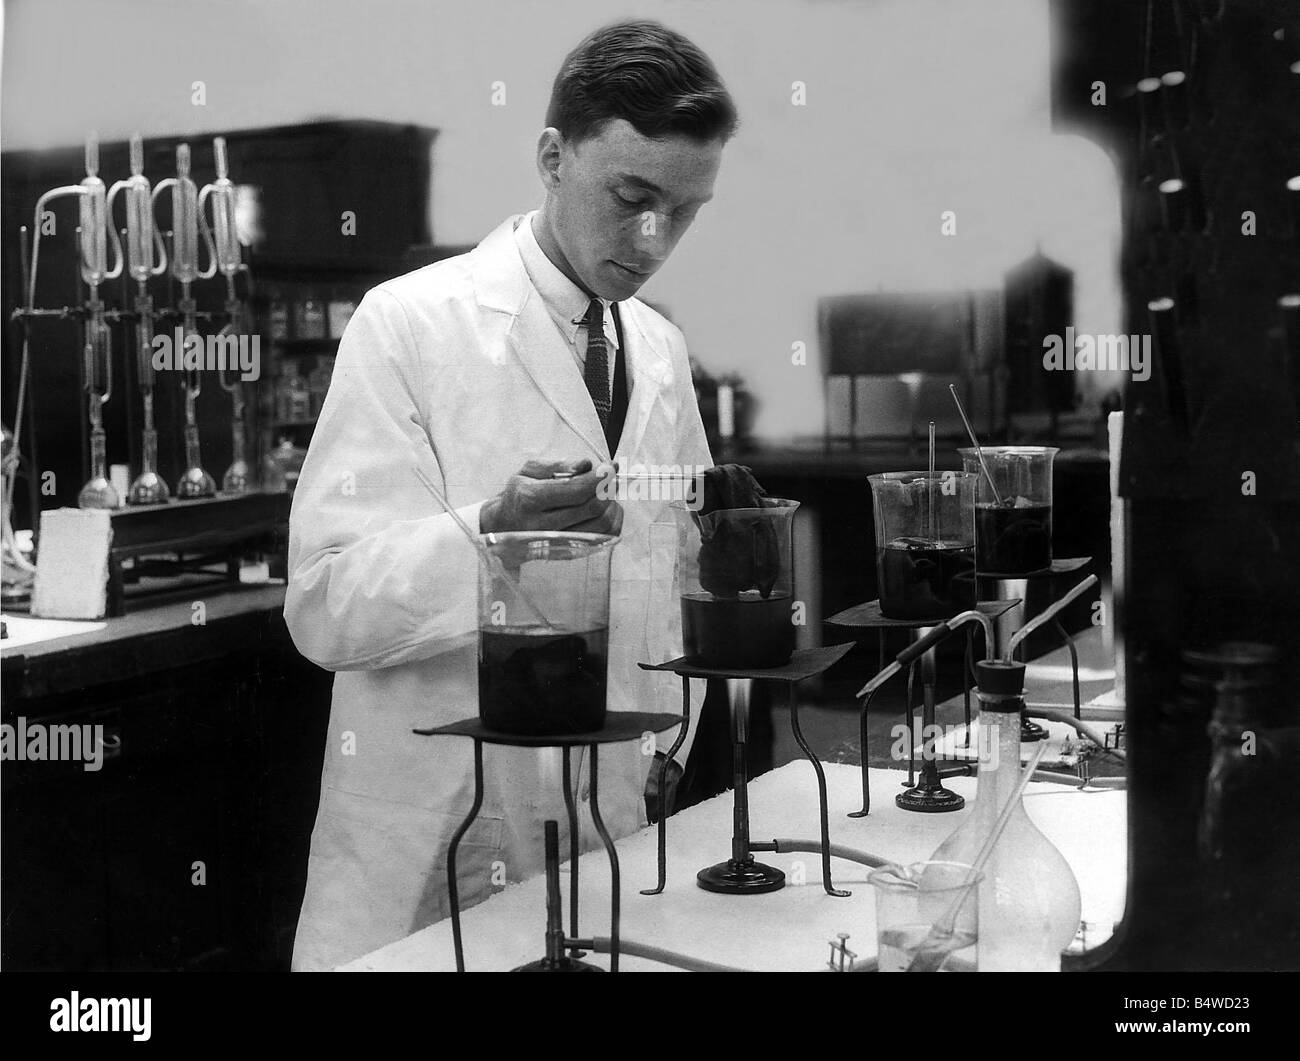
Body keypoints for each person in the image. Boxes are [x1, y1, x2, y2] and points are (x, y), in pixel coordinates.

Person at [285, 19, 738, 970]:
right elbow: (325, 604)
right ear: (550, 157)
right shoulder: (409, 323)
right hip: (435, 845)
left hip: (609, 827)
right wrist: (489, 534)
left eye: (686, 211)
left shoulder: (657, 350)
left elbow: (677, 565)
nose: (655, 237)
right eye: (633, 196)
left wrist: (664, 751)